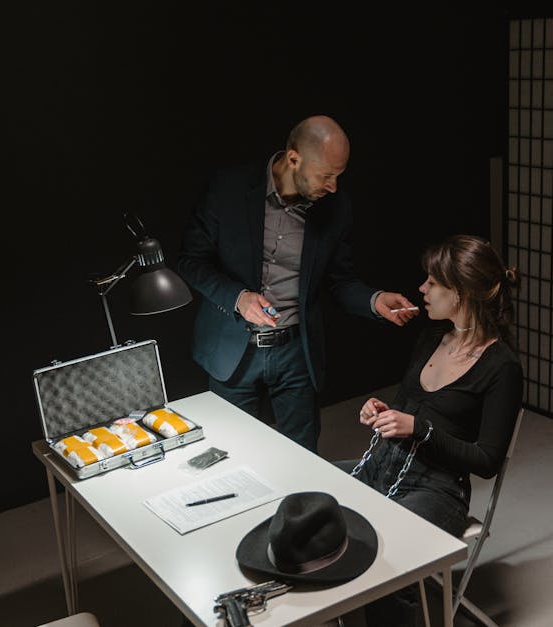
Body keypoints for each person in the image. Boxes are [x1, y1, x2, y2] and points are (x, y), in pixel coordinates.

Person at [176, 115, 418, 452]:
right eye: (326, 176)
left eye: (338, 176)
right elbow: (190, 261)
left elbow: (339, 280)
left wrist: (373, 300)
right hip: (232, 348)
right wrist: (239, 298)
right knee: (230, 456)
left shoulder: (335, 206)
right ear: (294, 158)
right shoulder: (228, 189)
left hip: (295, 351)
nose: (333, 186)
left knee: (302, 457)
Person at [336, 234, 523, 625]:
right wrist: (382, 412)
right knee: (310, 493)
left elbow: (487, 460)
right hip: (384, 464)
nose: (422, 288)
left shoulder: (501, 366)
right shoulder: (431, 336)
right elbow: (410, 409)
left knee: (389, 565)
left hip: (436, 488)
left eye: (432, 282)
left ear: (460, 292)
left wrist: (418, 429)